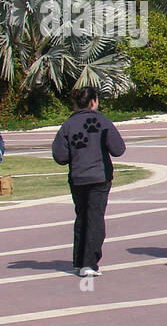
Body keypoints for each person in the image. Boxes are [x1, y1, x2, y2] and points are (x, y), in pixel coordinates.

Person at [51, 86, 126, 277]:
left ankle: (79, 260)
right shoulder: (103, 121)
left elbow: (60, 156)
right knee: (95, 218)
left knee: (82, 216)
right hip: (100, 177)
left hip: (78, 177)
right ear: (93, 101)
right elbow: (118, 149)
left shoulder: (67, 125)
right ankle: (89, 263)